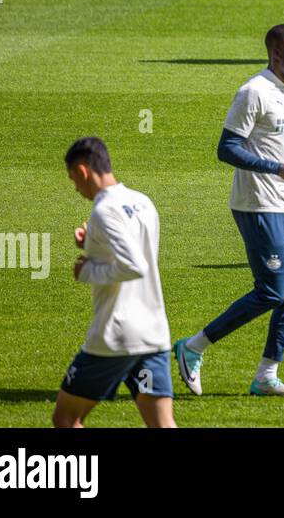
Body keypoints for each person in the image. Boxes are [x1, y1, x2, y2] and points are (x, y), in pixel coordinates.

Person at [173, 25, 284, 400]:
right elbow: (226, 149)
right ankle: (193, 347)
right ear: (277, 54)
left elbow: (278, 150)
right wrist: (278, 172)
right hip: (257, 206)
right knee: (271, 292)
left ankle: (266, 376)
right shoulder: (252, 92)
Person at [54, 137, 175, 428]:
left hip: (116, 336)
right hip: (154, 332)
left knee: (66, 418)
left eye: (73, 179)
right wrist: (92, 244)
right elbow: (133, 251)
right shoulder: (142, 201)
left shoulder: (104, 210)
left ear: (83, 171)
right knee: (162, 425)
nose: (76, 188)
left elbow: (135, 266)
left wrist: (86, 271)